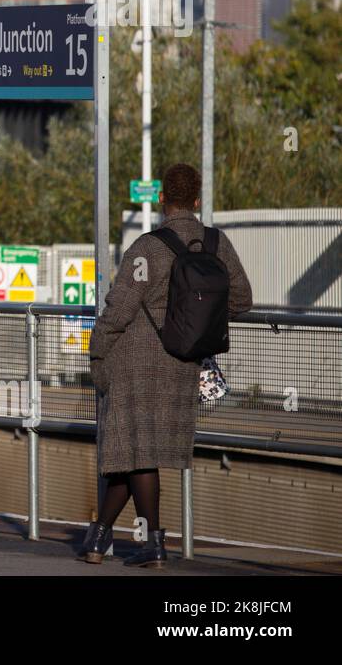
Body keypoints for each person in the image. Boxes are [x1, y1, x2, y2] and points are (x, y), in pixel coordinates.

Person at [80, 162, 252, 567]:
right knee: (135, 452)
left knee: (137, 452)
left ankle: (153, 545)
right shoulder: (217, 243)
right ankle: (96, 540)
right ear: (196, 199)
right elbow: (242, 299)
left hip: (134, 362)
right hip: (182, 363)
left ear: (162, 199)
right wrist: (197, 320)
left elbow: (118, 309)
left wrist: (97, 349)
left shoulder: (146, 247)